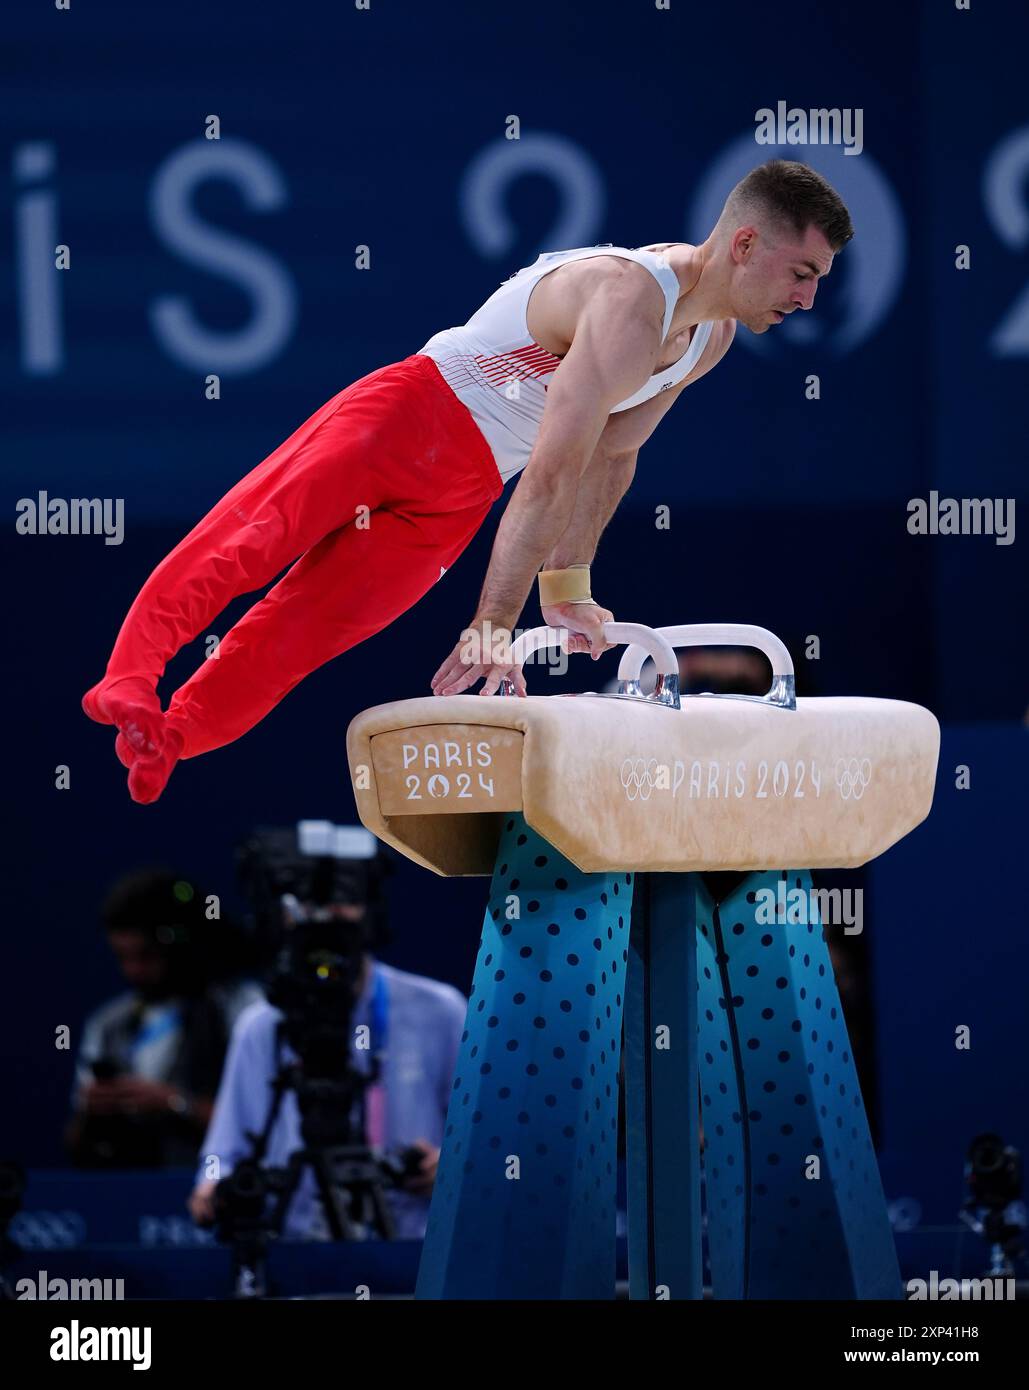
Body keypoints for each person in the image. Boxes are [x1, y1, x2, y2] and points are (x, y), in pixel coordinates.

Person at [82, 159, 852, 802]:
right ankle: (127, 681)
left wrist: (566, 589)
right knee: (246, 546)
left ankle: (171, 737)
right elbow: (551, 471)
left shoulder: (706, 340)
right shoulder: (626, 300)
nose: (809, 297)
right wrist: (493, 622)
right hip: (404, 418)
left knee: (309, 628)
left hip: (461, 494)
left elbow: (609, 457)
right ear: (745, 243)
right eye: (803, 271)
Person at [187, 945, 466, 1240]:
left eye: (339, 903)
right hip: (295, 1249)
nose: (326, 918)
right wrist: (214, 1188)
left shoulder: (441, 1010)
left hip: (415, 1249)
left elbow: (493, 1149)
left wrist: (454, 1167)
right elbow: (222, 1157)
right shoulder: (261, 1026)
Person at [66, 869, 263, 1167]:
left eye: (146, 956)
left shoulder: (244, 1009)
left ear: (180, 945)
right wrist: (92, 1114)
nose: (133, 971)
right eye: (123, 958)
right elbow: (75, 1144)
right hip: (130, 1195)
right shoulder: (108, 1024)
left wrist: (176, 1105)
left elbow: (264, 1123)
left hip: (224, 1191)